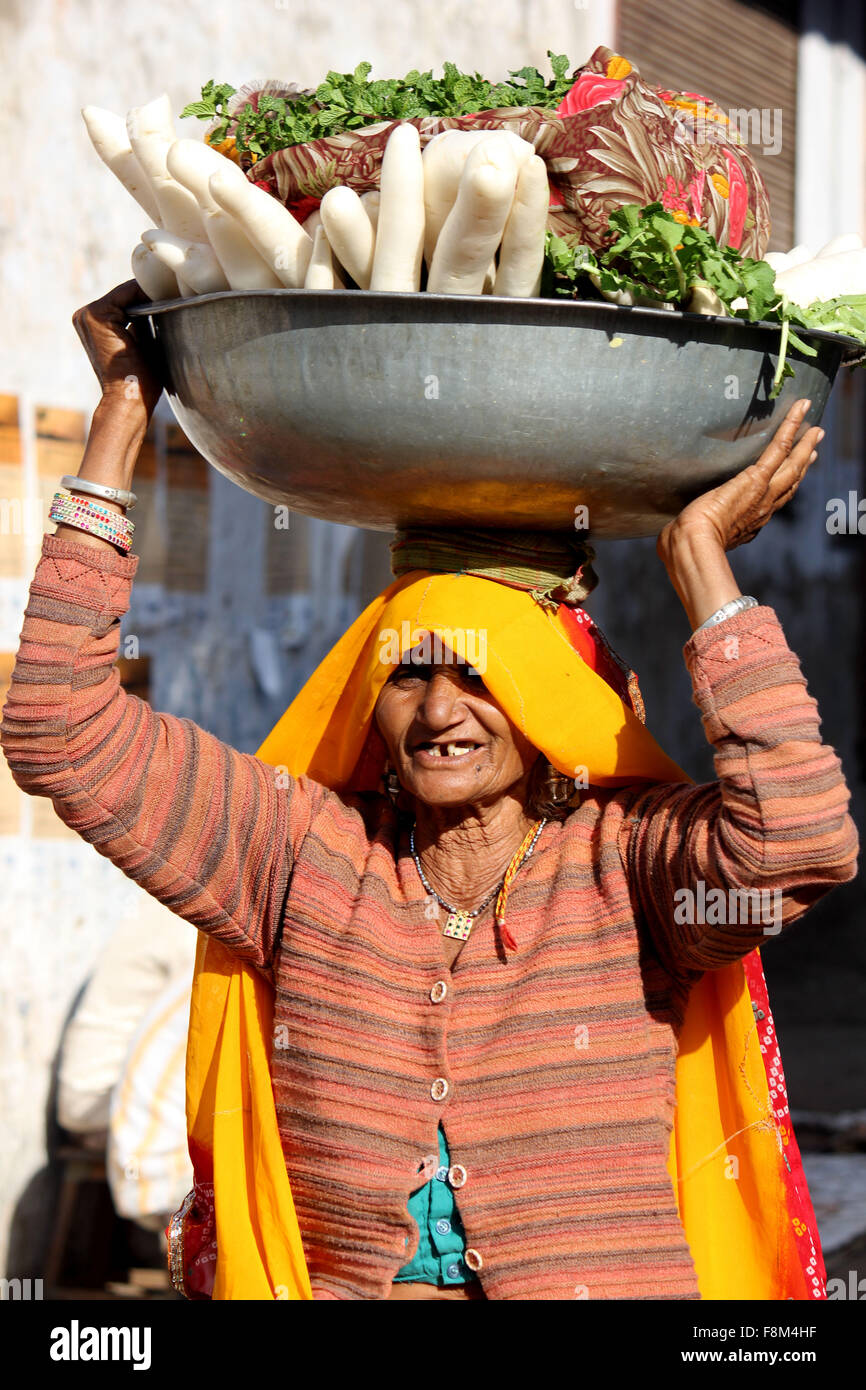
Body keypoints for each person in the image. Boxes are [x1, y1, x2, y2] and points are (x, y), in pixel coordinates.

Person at [0, 281, 857, 1301]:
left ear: (547, 702)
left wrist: (702, 571)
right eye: (409, 671)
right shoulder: (300, 854)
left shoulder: (623, 863)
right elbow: (59, 727)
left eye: (481, 675)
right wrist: (123, 417)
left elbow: (798, 839)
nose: (441, 710)